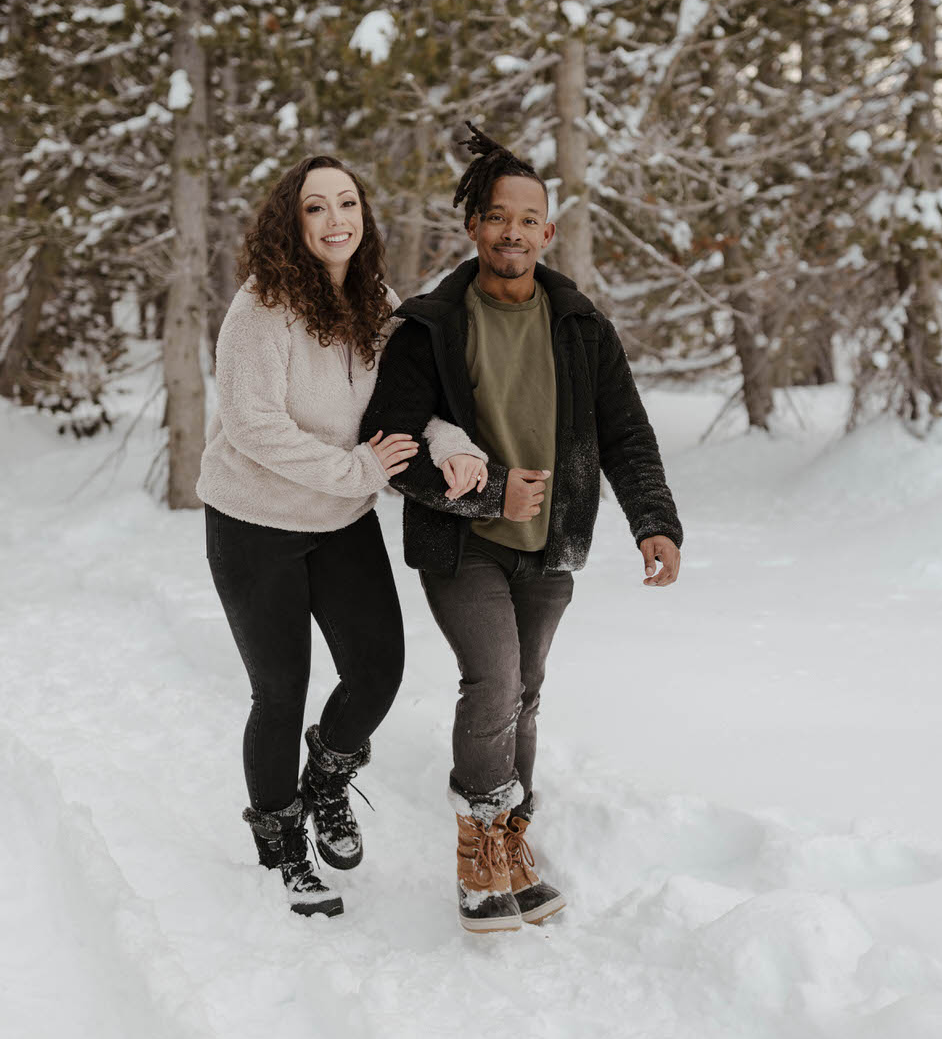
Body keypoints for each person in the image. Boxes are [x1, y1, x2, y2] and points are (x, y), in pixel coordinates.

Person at [362, 124, 683, 933]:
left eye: (528, 218)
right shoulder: (429, 326)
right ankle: (477, 845)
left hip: (551, 547)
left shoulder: (580, 325)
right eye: (496, 217)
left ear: (548, 231)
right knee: (495, 680)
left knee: (526, 693)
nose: (512, 231)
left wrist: (654, 521)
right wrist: (489, 495)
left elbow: (627, 434)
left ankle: (512, 839)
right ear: (473, 227)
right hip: (462, 543)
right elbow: (394, 453)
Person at [197, 155, 487, 918]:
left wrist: (453, 444)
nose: (336, 221)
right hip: (253, 522)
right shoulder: (261, 309)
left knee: (377, 670)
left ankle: (324, 781)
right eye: (317, 208)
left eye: (347, 203)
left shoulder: (374, 302)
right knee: (280, 692)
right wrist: (354, 467)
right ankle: (280, 841)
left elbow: (406, 399)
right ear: (292, 223)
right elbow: (253, 426)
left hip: (339, 518)